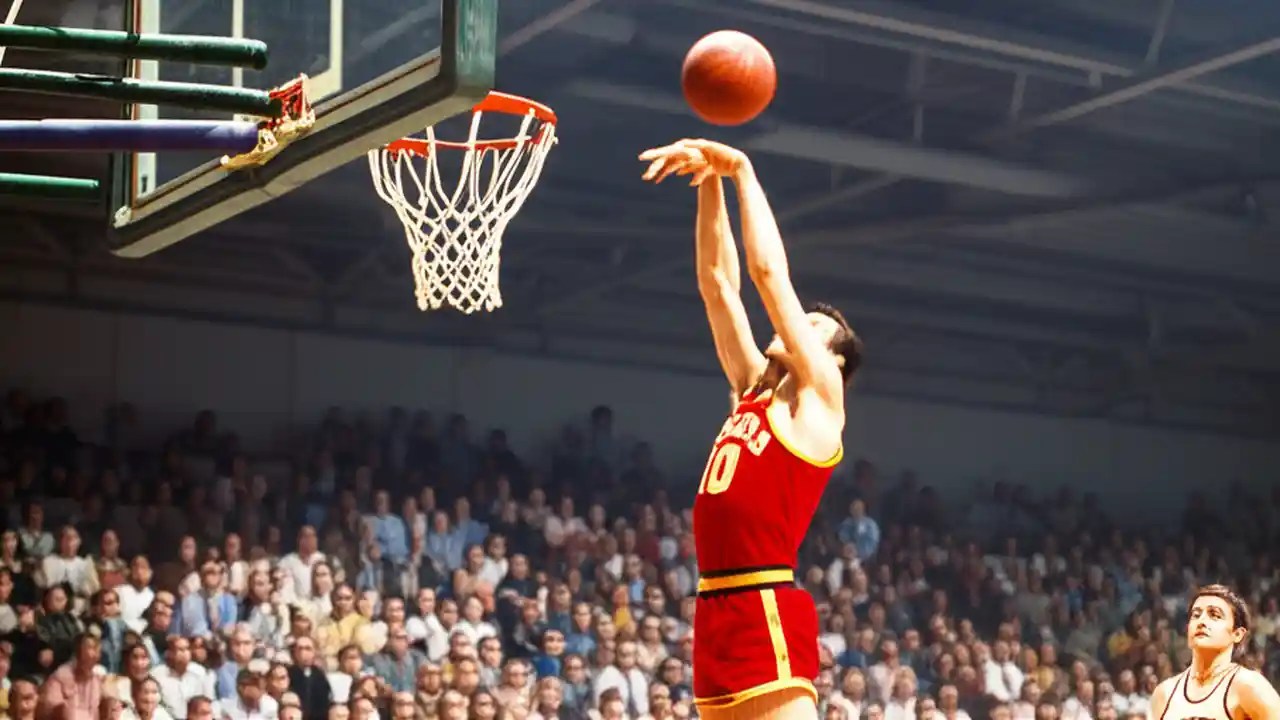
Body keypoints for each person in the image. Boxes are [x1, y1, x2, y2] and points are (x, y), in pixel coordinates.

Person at [639, 139, 862, 720]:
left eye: (811, 327)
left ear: (832, 362)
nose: (793, 325)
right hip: (715, 602)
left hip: (765, 599)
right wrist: (707, 181)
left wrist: (740, 169)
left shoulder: (819, 399)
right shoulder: (751, 391)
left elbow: (766, 274)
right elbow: (718, 282)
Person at [1149, 584, 1280, 720]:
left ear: (1237, 634)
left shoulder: (1249, 685)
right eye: (1196, 615)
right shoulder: (1164, 693)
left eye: (1215, 615)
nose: (1202, 621)